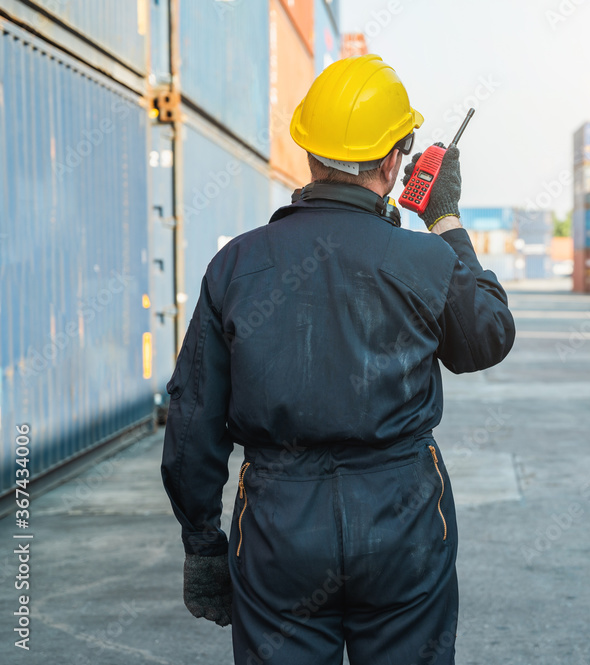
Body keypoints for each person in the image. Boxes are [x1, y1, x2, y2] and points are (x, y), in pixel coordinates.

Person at [160, 54, 515, 665]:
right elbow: (486, 337)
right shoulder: (424, 261)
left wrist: (202, 544)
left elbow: (193, 421)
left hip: (278, 528)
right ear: (394, 158)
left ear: (309, 154)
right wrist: (446, 220)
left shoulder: (237, 266)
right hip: (403, 519)